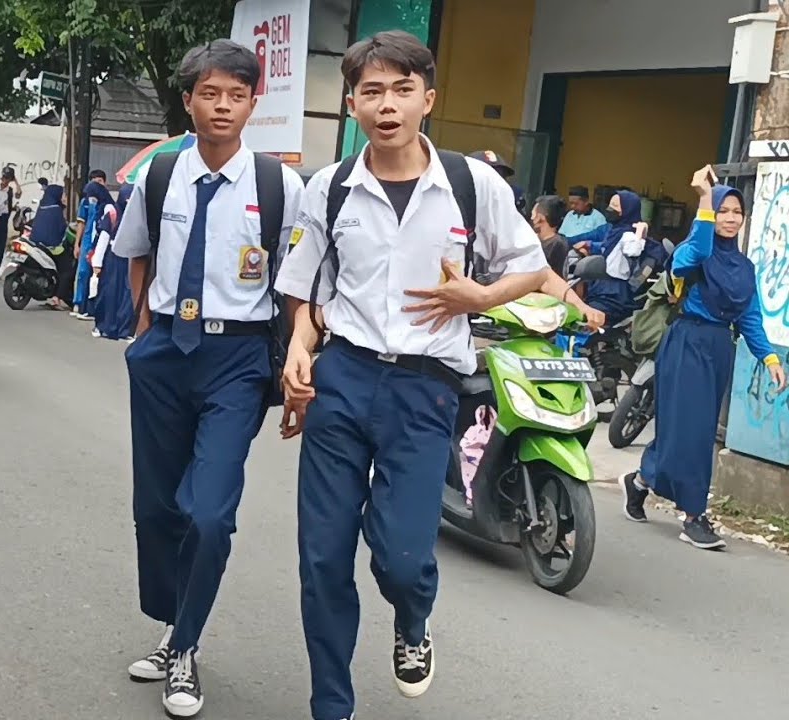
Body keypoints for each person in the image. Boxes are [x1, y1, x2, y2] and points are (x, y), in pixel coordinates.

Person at [273, 31, 603, 720]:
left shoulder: (469, 184)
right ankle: (330, 704)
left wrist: (478, 298)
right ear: (353, 102)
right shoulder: (327, 190)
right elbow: (305, 289)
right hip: (344, 381)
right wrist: (300, 346)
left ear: (429, 96)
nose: (386, 105)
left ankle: (412, 618)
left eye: (401, 89)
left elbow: (531, 265)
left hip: (425, 391)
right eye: (372, 91)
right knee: (323, 560)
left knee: (400, 557)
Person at [112, 39, 305, 719]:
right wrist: (145, 339)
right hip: (165, 350)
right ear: (189, 100)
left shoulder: (282, 187)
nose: (222, 106)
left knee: (210, 512)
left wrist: (294, 360)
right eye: (209, 93)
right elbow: (135, 256)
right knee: (157, 508)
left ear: (255, 103)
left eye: (236, 94)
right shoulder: (160, 176)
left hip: (238, 359)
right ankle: (170, 624)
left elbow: (296, 286)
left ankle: (186, 648)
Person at [621, 167, 786, 549]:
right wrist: (702, 200)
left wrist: (771, 360)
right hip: (686, 343)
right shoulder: (696, 253)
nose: (729, 218)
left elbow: (750, 317)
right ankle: (694, 516)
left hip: (719, 350)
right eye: (723, 209)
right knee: (691, 433)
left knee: (687, 430)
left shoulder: (744, 268)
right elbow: (692, 253)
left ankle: (641, 480)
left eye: (736, 212)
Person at [568, 190, 669, 327]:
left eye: (615, 206)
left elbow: (632, 249)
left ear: (627, 210)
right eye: (610, 204)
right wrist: (590, 245)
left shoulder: (629, 234)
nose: (610, 209)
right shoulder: (616, 231)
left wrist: (640, 231)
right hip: (603, 288)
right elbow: (609, 248)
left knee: (586, 319)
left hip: (616, 294)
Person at [91, 190, 133, 340]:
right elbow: (103, 238)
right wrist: (97, 262)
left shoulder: (136, 216)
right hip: (112, 258)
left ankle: (123, 329)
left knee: (127, 295)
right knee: (108, 293)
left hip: (129, 258)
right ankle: (103, 326)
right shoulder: (113, 215)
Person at [73, 170, 113, 320]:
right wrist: (77, 244)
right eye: (94, 181)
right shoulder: (86, 201)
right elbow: (81, 224)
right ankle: (79, 303)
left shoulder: (108, 204)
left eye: (100, 181)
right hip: (88, 240)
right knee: (83, 272)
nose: (97, 184)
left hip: (101, 242)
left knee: (96, 273)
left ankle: (93, 307)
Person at [31, 181, 73, 311]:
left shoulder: (42, 206)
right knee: (67, 270)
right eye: (63, 195)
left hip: (36, 244)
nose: (64, 198)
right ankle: (57, 298)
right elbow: (61, 230)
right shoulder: (56, 210)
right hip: (52, 247)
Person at [531, 195, 571, 275]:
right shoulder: (530, 239)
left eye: (533, 214)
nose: (531, 218)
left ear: (540, 218)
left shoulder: (558, 244)